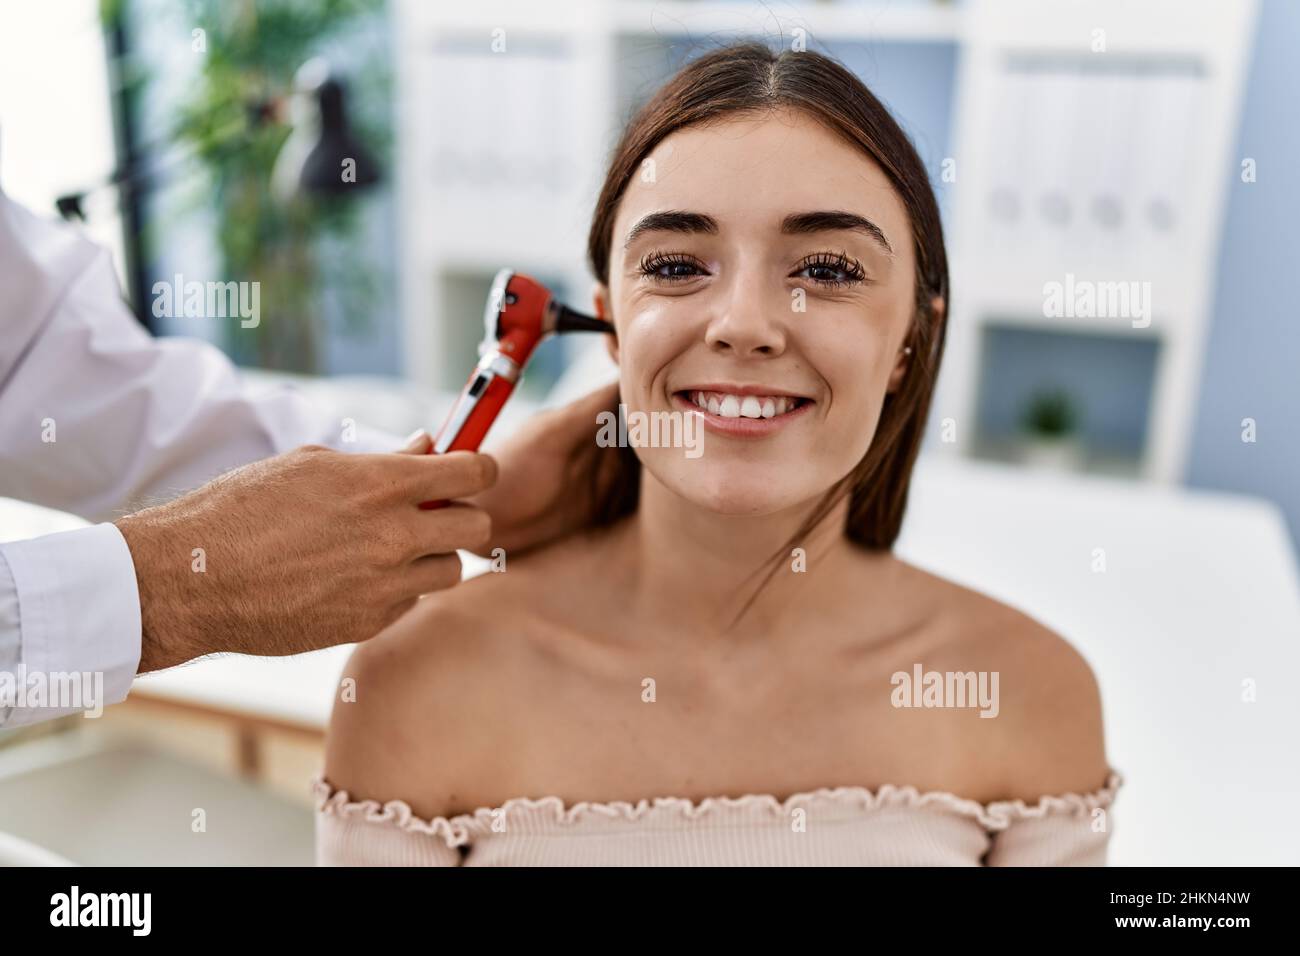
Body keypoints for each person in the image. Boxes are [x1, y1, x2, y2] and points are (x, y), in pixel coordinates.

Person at [315, 43, 1123, 867]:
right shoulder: (415, 682)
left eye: (827, 269)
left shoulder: (1027, 694)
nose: (744, 322)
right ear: (611, 327)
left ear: (911, 342)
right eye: (673, 266)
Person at [0, 177, 614, 728]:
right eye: (672, 268)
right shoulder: (411, 688)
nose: (716, 324)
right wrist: (169, 587)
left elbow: (86, 391)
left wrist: (449, 486)